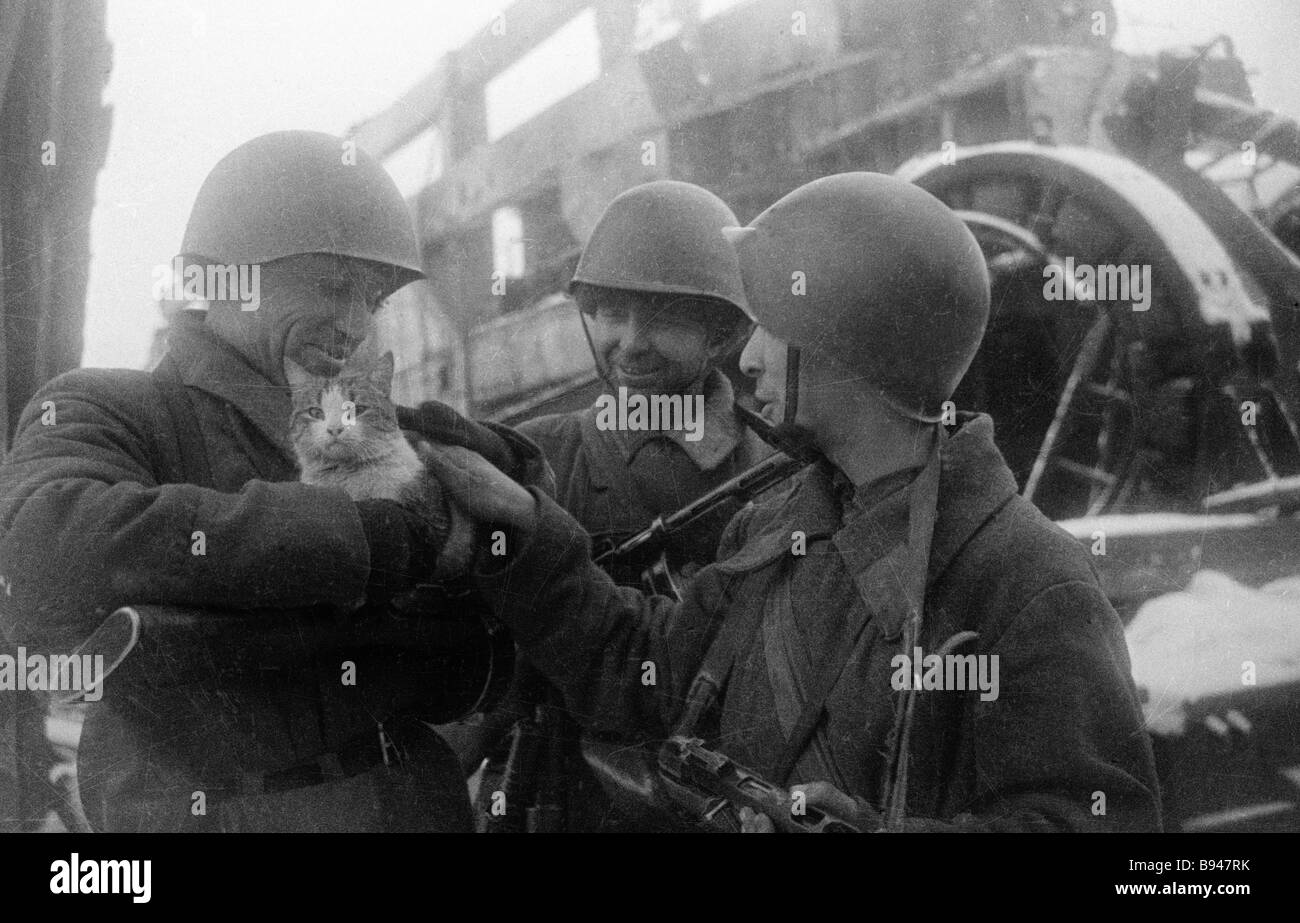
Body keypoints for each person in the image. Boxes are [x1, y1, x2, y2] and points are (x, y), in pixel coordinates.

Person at [425, 172, 1163, 832]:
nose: (746, 358)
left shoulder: (1029, 579)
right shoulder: (778, 523)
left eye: (773, 331)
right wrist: (525, 530)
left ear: (851, 340)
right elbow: (645, 669)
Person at [0, 130, 544, 832]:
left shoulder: (370, 422)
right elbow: (41, 543)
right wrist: (365, 538)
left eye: (371, 300)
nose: (353, 325)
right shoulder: (109, 407)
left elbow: (534, 481)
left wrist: (483, 475)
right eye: (331, 285)